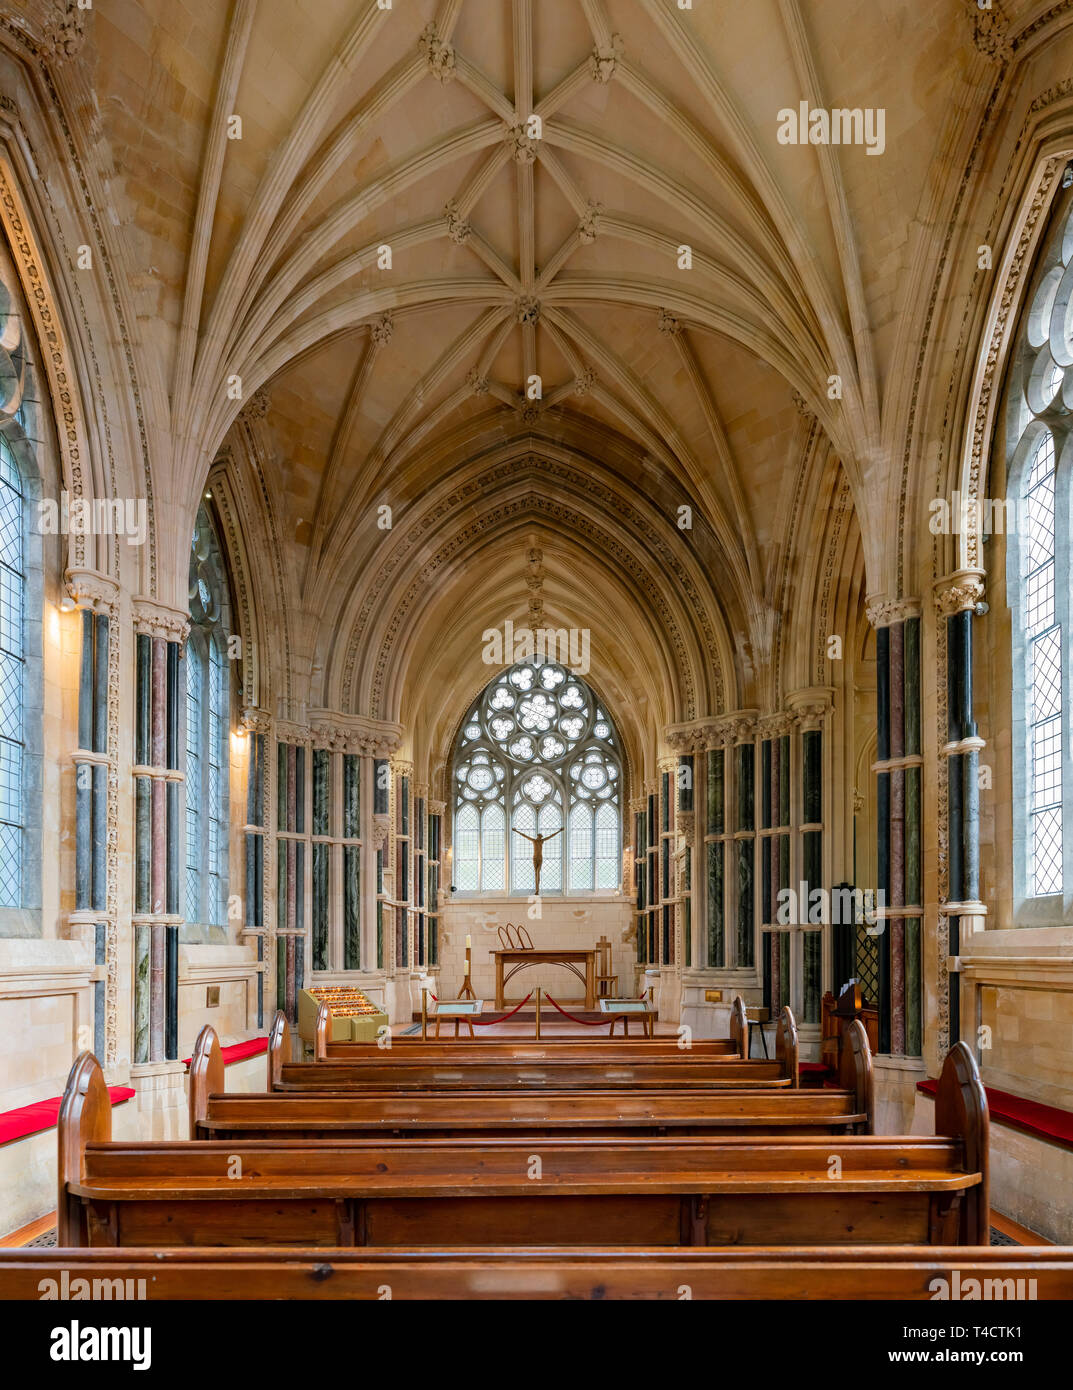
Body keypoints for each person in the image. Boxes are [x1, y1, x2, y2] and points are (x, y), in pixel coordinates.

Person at [513, 827, 562, 896]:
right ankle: (537, 890)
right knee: (536, 873)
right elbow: (525, 836)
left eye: (541, 837)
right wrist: (516, 831)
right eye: (539, 836)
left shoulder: (542, 841)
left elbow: (550, 836)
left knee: (538, 872)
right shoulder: (534, 841)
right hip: (535, 858)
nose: (540, 837)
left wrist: (559, 831)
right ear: (538, 836)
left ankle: (537, 890)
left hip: (540, 858)